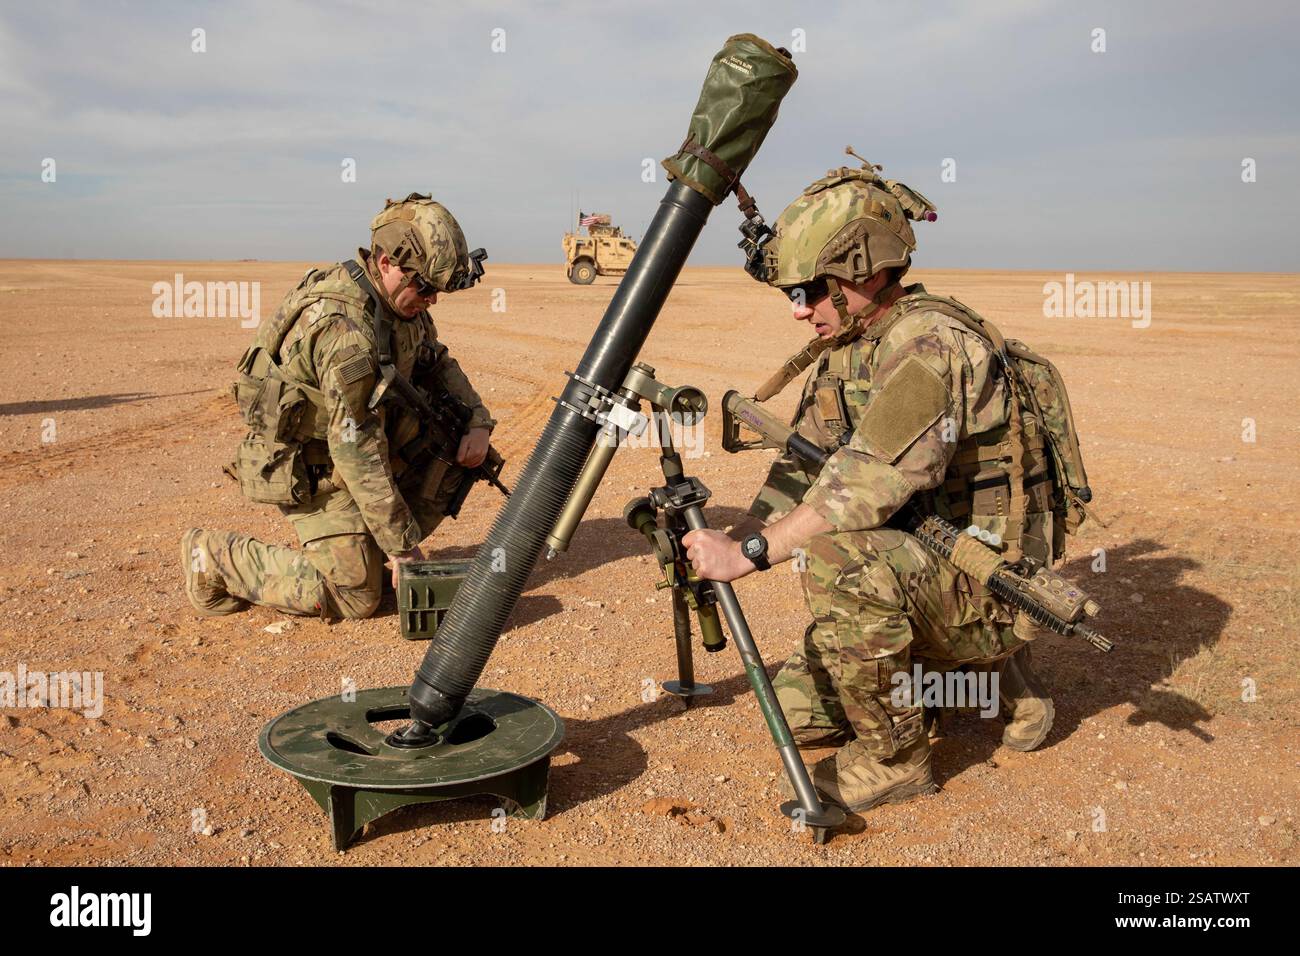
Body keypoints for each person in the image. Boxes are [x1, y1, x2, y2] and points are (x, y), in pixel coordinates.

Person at [683, 158, 1077, 813]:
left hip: (989, 580)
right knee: (794, 712)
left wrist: (750, 557)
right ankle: (956, 676)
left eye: (810, 290)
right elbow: (805, 463)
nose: (798, 311)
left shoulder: (931, 345)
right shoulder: (852, 347)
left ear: (864, 271)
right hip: (928, 563)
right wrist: (746, 529)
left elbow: (864, 484)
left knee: (839, 557)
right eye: (792, 293)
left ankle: (899, 755)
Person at [183, 193, 494, 621]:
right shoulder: (345, 333)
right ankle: (213, 559)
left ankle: (369, 539)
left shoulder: (398, 306)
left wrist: (477, 420)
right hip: (314, 469)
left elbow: (434, 360)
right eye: (424, 287)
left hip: (350, 451)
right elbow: (354, 444)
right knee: (357, 595)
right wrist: (402, 546)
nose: (432, 300)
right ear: (386, 263)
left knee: (456, 443)